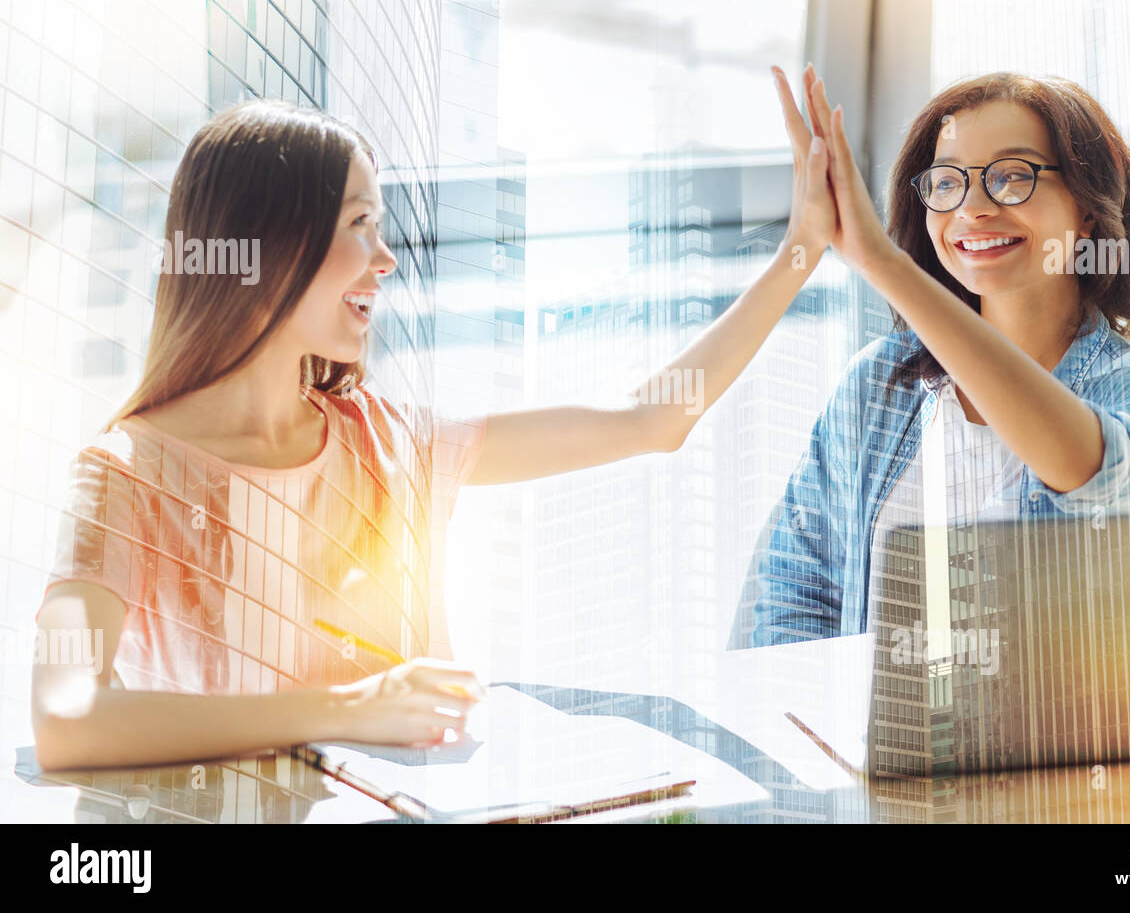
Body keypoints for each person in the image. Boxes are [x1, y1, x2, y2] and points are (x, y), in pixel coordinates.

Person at [33, 73, 838, 771]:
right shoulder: (124, 475)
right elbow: (68, 718)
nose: (385, 260)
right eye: (358, 226)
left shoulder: (392, 441)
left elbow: (652, 420)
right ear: (272, 244)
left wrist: (803, 247)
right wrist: (344, 709)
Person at [747, 66, 1130, 647]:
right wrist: (819, 730)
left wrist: (886, 266)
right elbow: (795, 590)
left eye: (1012, 178)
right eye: (946, 183)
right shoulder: (877, 384)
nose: (973, 208)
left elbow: (1097, 475)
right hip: (873, 737)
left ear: (1087, 209)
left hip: (1051, 738)